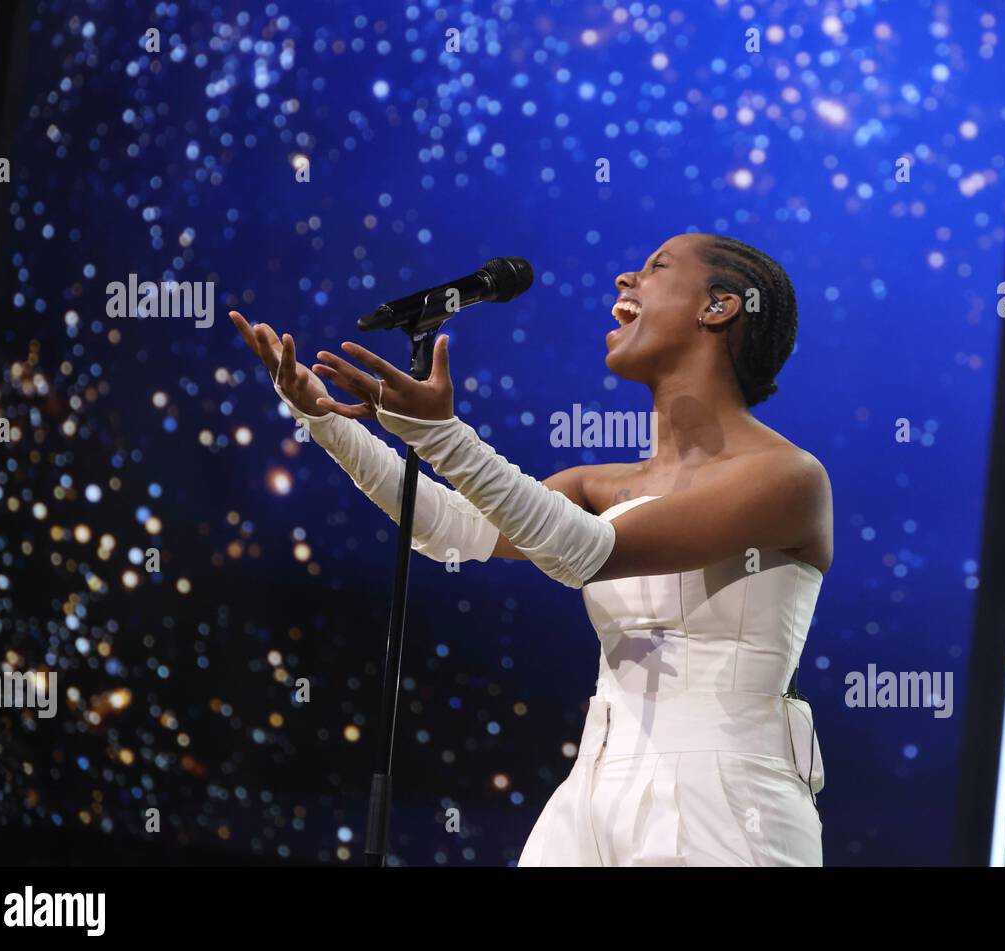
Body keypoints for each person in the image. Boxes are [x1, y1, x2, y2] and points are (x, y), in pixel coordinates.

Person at [230, 233, 833, 865]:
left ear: (719, 307)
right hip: (592, 792)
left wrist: (443, 436)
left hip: (728, 797)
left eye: (656, 267)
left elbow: (585, 552)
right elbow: (449, 528)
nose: (626, 278)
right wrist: (324, 420)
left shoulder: (786, 477)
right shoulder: (601, 482)